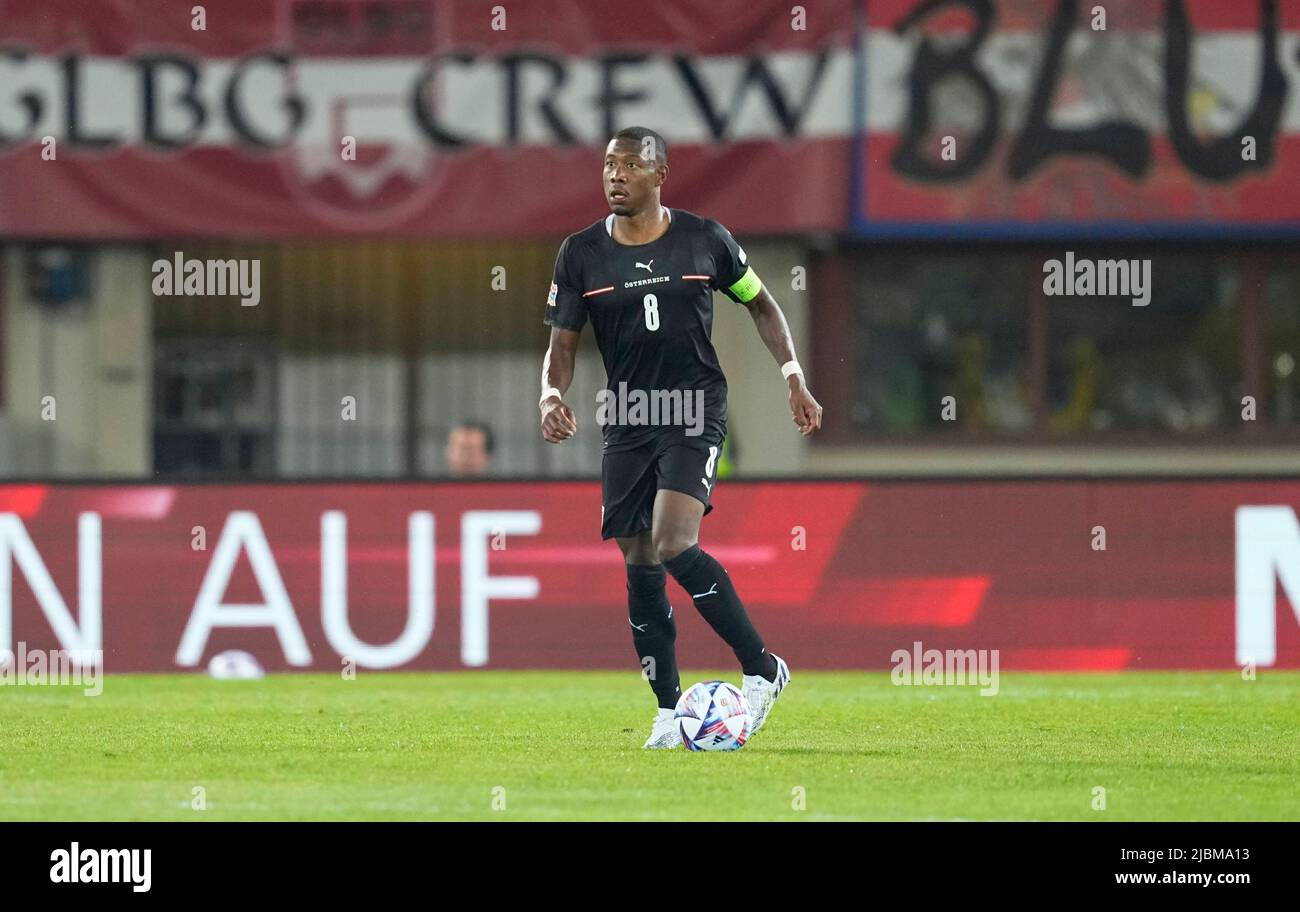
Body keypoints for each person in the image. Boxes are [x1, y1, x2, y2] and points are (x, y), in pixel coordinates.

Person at [538, 126, 823, 748]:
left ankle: (763, 668)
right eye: (608, 165)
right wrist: (551, 394)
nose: (615, 176)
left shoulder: (705, 240)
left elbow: (762, 305)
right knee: (639, 560)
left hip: (695, 408)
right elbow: (562, 345)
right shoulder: (580, 253)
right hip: (628, 416)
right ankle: (668, 711)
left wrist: (793, 378)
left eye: (629, 166)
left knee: (672, 541)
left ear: (660, 174)